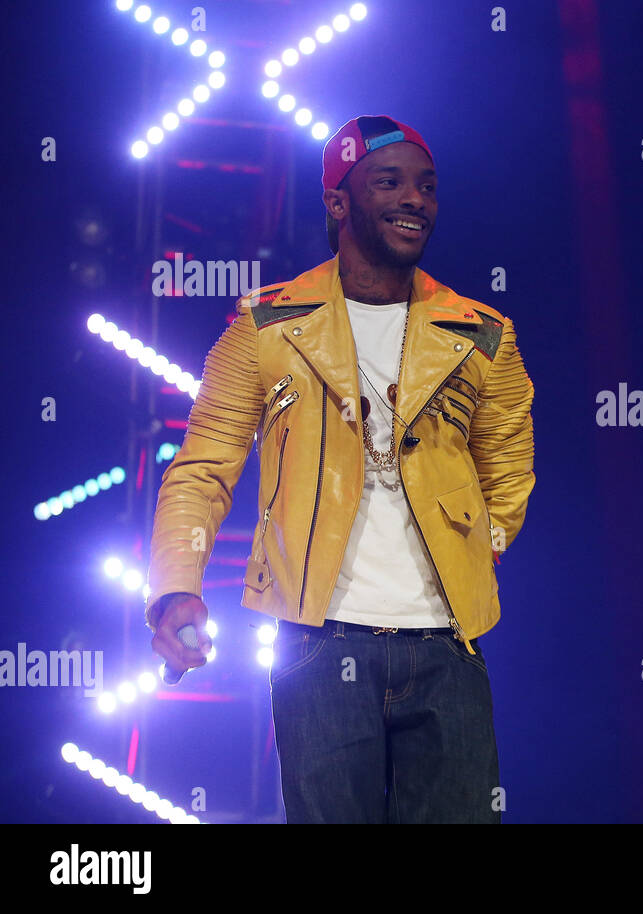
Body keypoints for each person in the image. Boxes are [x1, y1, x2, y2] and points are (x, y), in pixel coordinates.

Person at [144, 115, 535, 823]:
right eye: (389, 182)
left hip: (449, 646)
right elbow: (202, 468)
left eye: (427, 186)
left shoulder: (482, 334)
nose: (415, 198)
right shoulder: (266, 327)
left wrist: (476, 552)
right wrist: (177, 588)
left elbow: (508, 470)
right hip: (318, 649)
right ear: (338, 202)